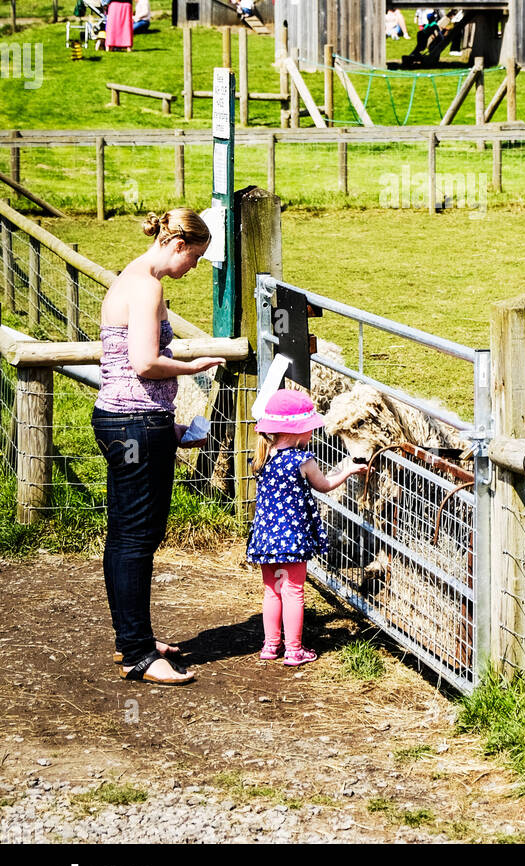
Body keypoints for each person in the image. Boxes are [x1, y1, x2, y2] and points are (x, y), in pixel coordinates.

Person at [92, 209, 224, 686]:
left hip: (126, 421)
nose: (193, 267)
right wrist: (192, 368)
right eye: (195, 257)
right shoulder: (147, 285)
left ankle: (133, 636)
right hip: (134, 426)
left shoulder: (130, 276)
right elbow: (146, 362)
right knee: (135, 538)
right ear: (177, 245)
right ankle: (138, 654)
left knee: (128, 534)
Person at [247, 389, 364, 665]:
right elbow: (324, 486)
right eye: (310, 427)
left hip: (265, 539)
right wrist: (347, 470)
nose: (313, 432)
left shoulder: (262, 458)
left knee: (272, 591)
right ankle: (294, 649)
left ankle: (270, 645)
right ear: (298, 431)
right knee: (293, 592)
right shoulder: (302, 460)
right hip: (292, 540)